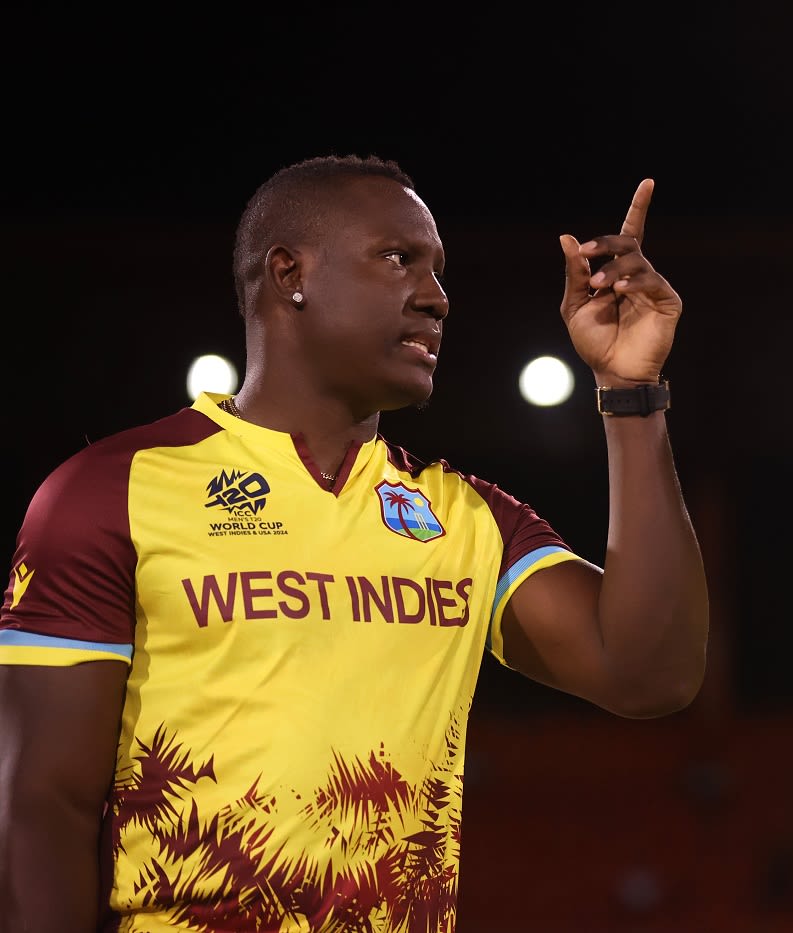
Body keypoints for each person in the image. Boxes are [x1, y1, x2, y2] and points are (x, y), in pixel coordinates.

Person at [0, 154, 709, 931]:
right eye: (399, 258)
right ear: (288, 272)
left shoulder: (467, 517)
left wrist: (632, 393)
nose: (437, 298)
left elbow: (652, 674)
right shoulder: (110, 491)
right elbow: (42, 806)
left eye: (439, 271)